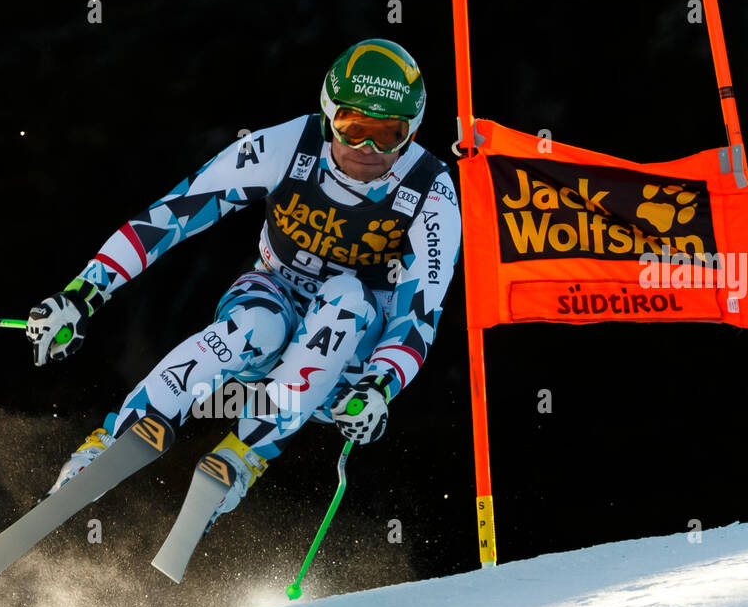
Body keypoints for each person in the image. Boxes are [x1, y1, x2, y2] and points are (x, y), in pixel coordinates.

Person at [25, 37, 461, 525]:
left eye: (387, 134)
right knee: (255, 324)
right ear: (327, 114)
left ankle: (241, 456)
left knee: (347, 295)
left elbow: (419, 316)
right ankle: (105, 449)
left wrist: (380, 387)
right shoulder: (288, 145)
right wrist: (82, 294)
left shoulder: (431, 193)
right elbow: (173, 216)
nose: (366, 149)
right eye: (353, 126)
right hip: (272, 292)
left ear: (412, 131)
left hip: (346, 360)